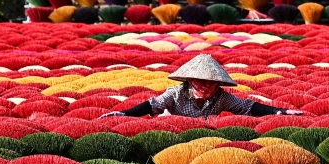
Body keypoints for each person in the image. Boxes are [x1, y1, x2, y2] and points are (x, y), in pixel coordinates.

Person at [99, 54, 303, 120]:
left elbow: (247, 107)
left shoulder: (221, 97)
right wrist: (124, 114)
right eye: (201, 82)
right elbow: (153, 105)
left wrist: (279, 111)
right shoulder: (176, 94)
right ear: (190, 80)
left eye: (212, 83)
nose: (207, 87)